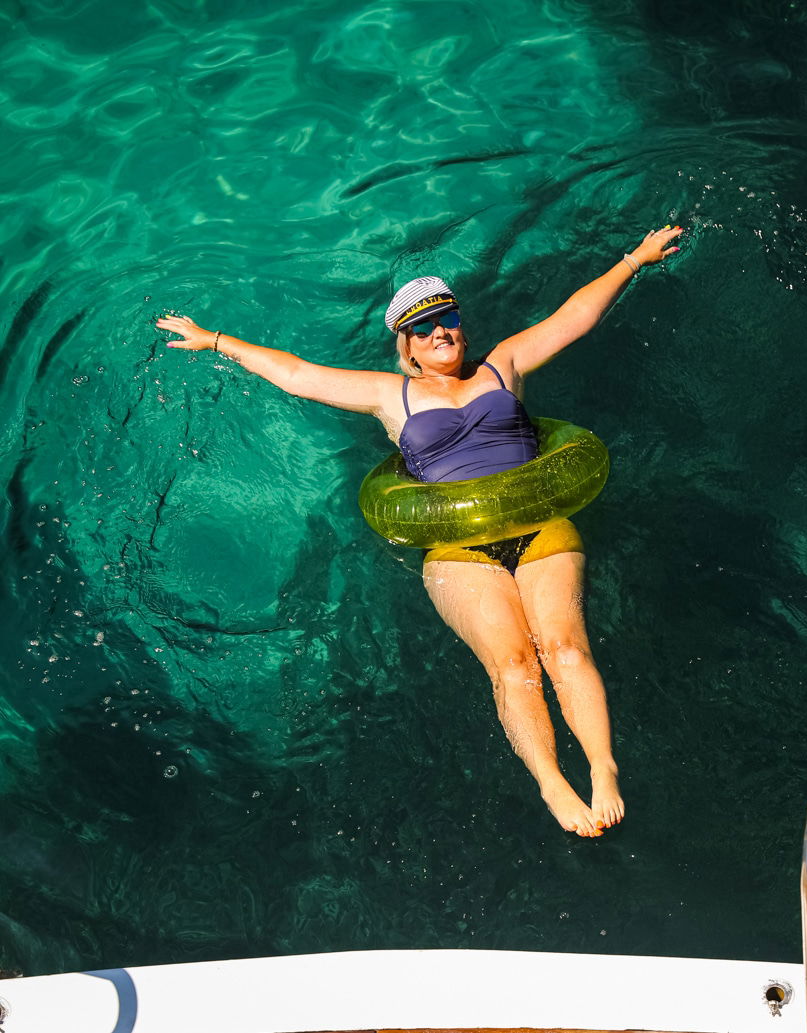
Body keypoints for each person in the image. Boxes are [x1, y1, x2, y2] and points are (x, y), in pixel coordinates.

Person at [157, 225, 684, 837]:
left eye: (449, 318)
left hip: (538, 524)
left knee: (565, 647)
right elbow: (297, 374)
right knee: (514, 665)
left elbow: (574, 317)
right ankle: (552, 780)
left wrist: (634, 259)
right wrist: (215, 340)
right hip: (459, 547)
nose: (442, 332)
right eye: (426, 325)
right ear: (405, 342)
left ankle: (602, 767)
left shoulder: (503, 364)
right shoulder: (390, 394)